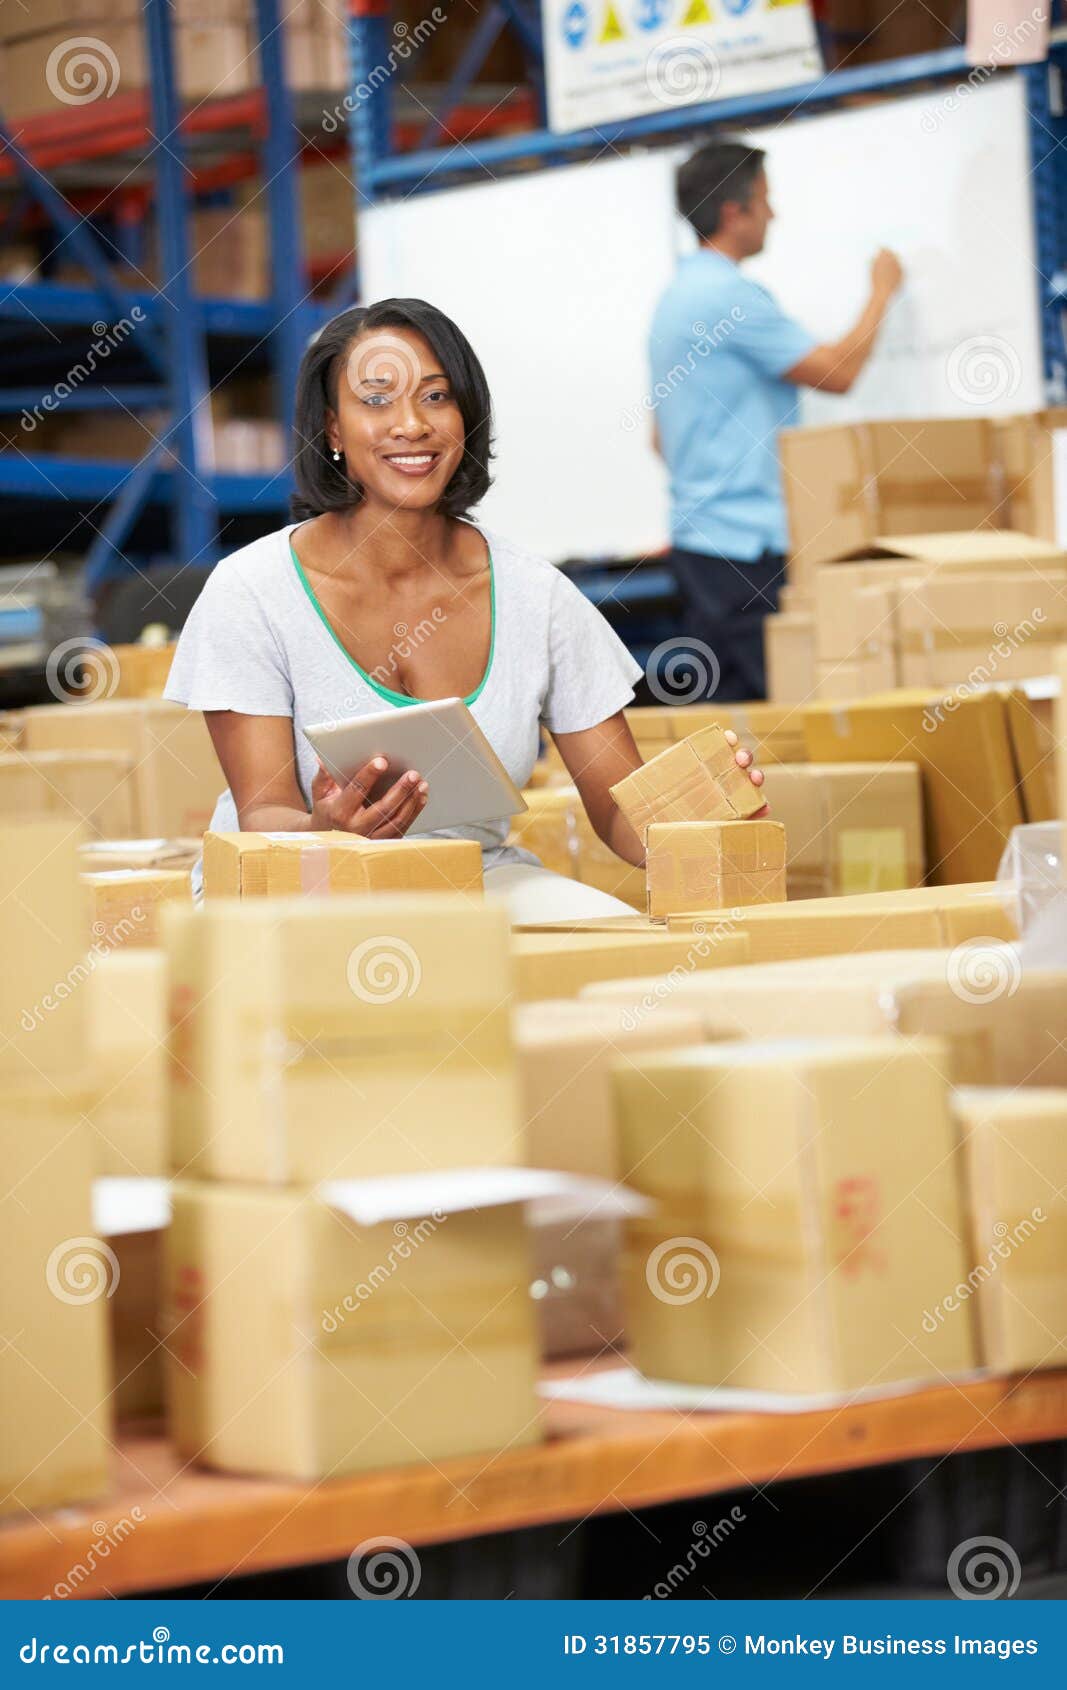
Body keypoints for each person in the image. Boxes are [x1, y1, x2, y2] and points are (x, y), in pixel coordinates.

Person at [165, 298, 765, 924]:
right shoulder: (252, 592)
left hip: (472, 880)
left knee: (624, 949)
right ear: (333, 428)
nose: (412, 426)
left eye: (435, 396)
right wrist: (325, 830)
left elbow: (618, 813)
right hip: (297, 887)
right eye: (376, 400)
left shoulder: (539, 596)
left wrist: (694, 815)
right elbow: (264, 817)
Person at [649, 139, 904, 701]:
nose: (774, 214)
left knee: (739, 729)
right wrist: (883, 291)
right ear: (734, 212)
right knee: (789, 720)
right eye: (765, 201)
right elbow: (837, 372)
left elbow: (658, 437)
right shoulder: (728, 299)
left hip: (705, 547)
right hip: (745, 555)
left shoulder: (675, 300)